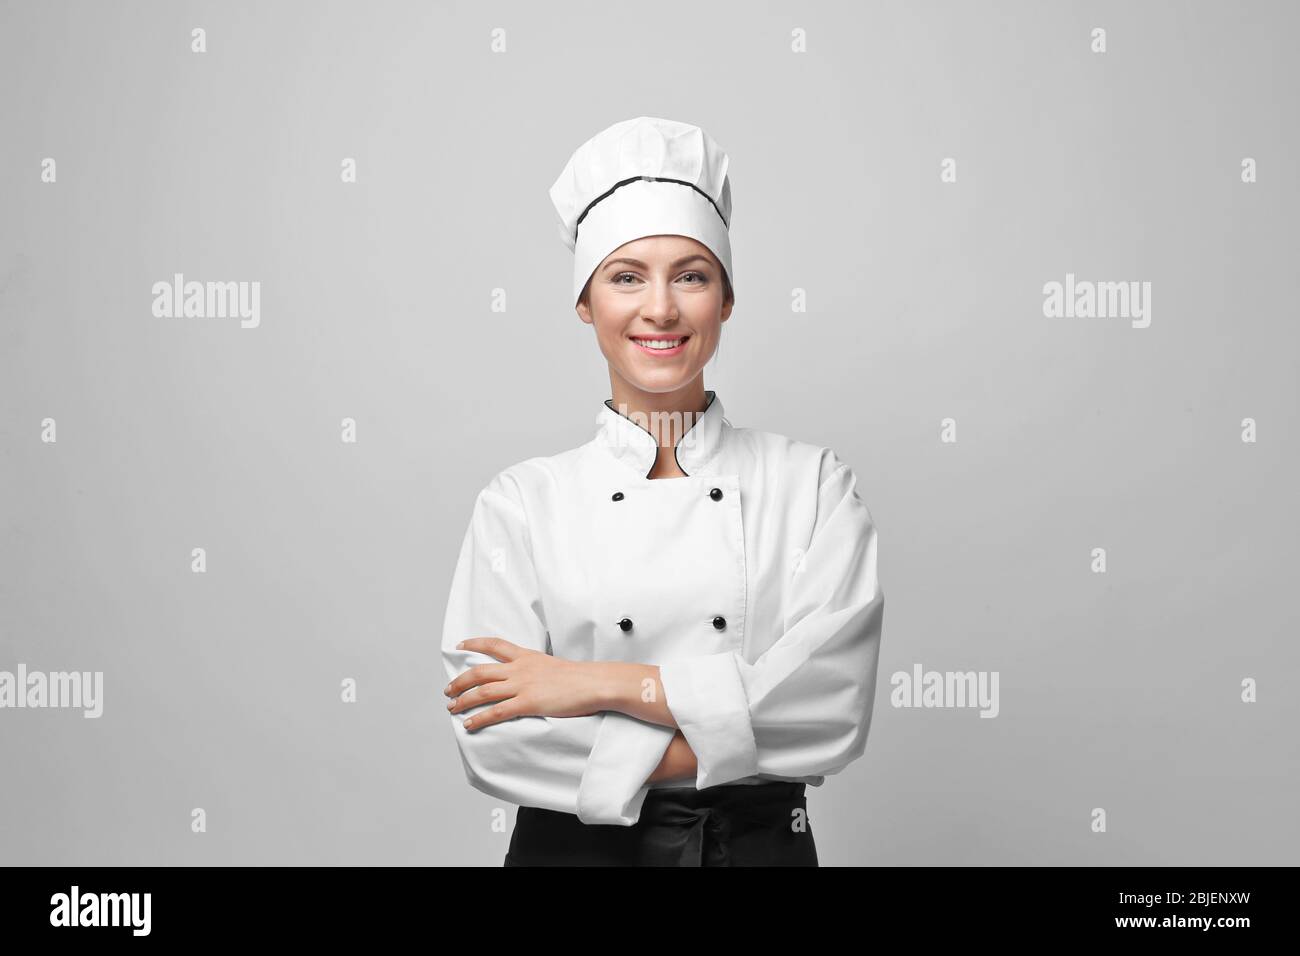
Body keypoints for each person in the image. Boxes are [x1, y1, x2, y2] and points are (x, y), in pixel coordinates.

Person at [441, 116, 884, 866]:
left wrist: (587, 685)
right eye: (626, 277)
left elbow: (830, 713)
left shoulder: (810, 485)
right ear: (586, 303)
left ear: (727, 299)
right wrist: (735, 725)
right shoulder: (521, 504)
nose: (661, 309)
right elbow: (500, 744)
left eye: (691, 275)